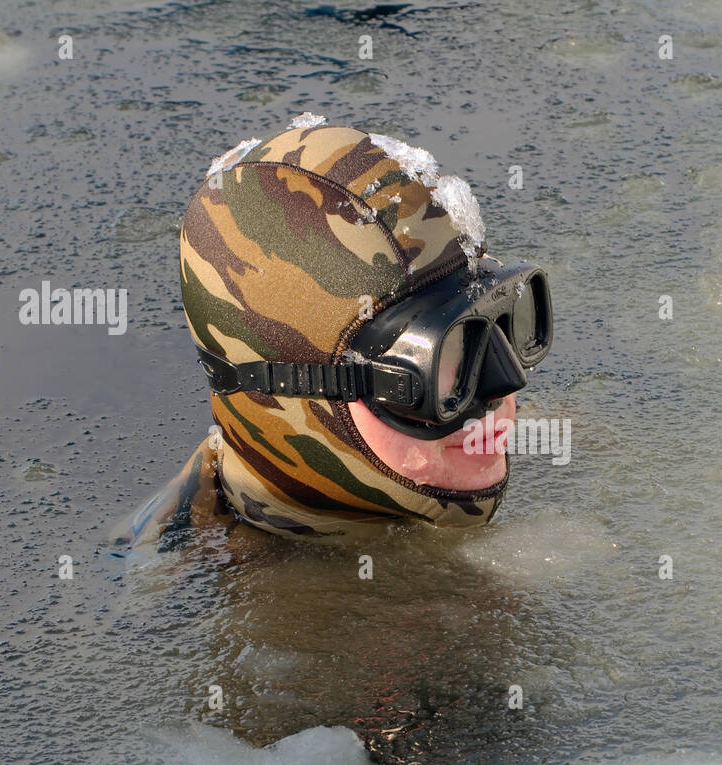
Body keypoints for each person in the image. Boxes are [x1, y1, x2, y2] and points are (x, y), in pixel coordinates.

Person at [113, 115, 552, 550]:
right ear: (291, 396)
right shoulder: (273, 608)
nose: (505, 384)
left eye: (503, 323)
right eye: (446, 354)